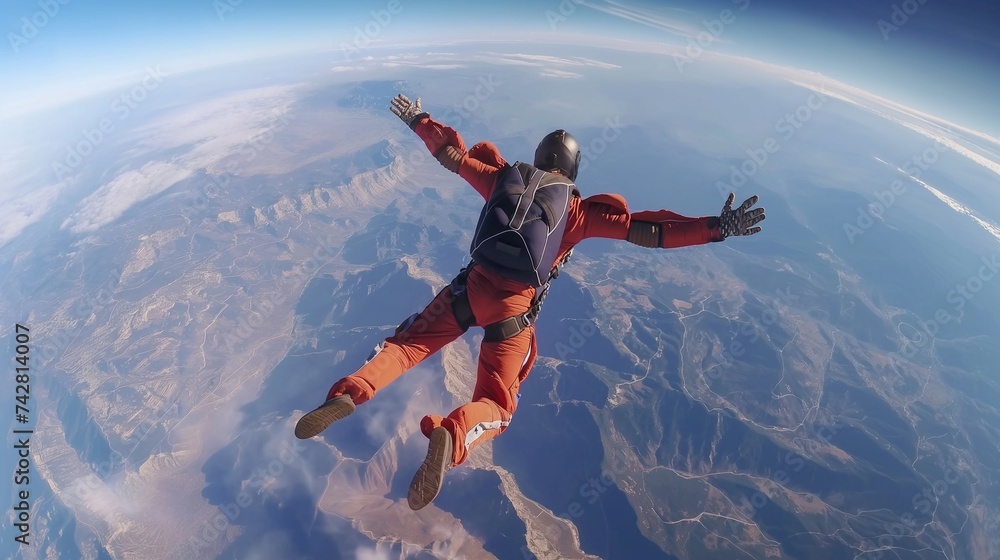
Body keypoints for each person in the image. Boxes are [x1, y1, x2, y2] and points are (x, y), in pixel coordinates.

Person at [295, 94, 766, 510]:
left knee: (405, 346)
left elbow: (451, 155)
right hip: (512, 314)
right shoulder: (577, 211)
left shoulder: (503, 178)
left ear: (539, 156)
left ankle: (348, 393)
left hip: (466, 290)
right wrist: (716, 227)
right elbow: (651, 232)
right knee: (496, 405)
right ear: (574, 169)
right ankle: (454, 433)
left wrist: (418, 119)